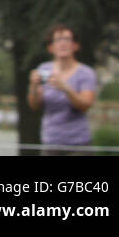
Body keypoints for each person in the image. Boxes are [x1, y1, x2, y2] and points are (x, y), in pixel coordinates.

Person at [28, 24, 97, 155]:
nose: (63, 43)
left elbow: (85, 106)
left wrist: (65, 88)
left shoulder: (86, 73)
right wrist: (33, 86)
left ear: (76, 46)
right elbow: (35, 105)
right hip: (51, 141)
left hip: (78, 144)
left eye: (67, 39)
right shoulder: (44, 69)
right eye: (58, 40)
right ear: (51, 47)